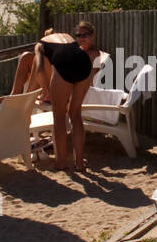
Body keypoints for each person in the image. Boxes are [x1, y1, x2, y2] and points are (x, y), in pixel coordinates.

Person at [9, 22, 99, 171]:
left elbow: (38, 69)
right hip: (83, 62)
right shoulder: (68, 38)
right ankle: (79, 163)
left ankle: (61, 162)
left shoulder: (40, 44)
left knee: (59, 117)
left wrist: (46, 91)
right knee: (76, 114)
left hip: (63, 63)